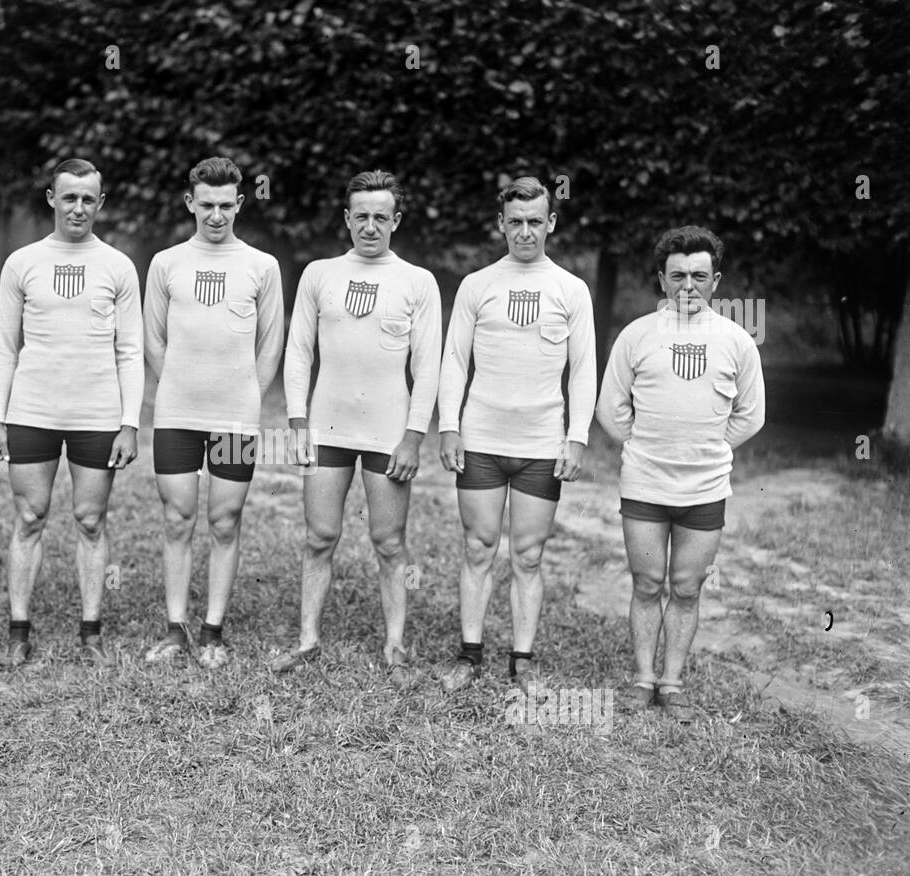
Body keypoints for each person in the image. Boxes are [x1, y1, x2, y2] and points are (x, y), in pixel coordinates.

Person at [274, 170, 441, 684]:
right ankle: (307, 640)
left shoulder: (418, 281)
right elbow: (299, 351)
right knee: (319, 536)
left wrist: (414, 435)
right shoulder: (319, 274)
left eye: (381, 217)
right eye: (361, 216)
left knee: (389, 542)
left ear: (397, 220)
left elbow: (428, 365)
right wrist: (298, 421)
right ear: (347, 219)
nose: (370, 226)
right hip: (326, 429)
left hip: (389, 434)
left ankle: (394, 644)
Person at [596, 225, 765, 723]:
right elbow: (610, 409)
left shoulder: (737, 341)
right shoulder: (636, 335)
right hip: (645, 484)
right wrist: (645, 446)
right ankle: (643, 679)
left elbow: (751, 415)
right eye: (677, 276)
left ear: (717, 280)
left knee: (687, 587)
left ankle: (672, 682)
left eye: (698, 275)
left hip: (705, 487)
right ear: (661, 280)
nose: (687, 286)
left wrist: (708, 449)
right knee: (647, 582)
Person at [436, 177, 596, 691]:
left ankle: (522, 661)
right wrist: (450, 427)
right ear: (500, 224)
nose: (524, 231)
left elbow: (584, 370)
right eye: (515, 222)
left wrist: (576, 437)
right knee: (479, 547)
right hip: (481, 440)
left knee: (528, 555)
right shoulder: (477, 285)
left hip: (540, 445)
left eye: (534, 221)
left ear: (551, 222)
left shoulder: (571, 290)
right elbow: (455, 360)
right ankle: (469, 655)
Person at [0, 159, 142, 667]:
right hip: (32, 410)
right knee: (30, 516)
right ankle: (18, 630)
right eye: (69, 197)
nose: (78, 207)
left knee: (90, 519)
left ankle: (91, 632)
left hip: (97, 414)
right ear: (52, 198)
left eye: (88, 198)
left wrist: (129, 423)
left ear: (102, 202)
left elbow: (130, 351)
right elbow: (5, 347)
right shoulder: (22, 262)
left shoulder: (118, 266)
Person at [141, 157, 284, 669]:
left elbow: (271, 346)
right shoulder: (166, 263)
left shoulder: (262, 266)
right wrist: (178, 384)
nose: (217, 215)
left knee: (225, 520)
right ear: (190, 203)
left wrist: (245, 395)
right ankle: (175, 629)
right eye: (207, 206)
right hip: (177, 413)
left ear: (240, 204)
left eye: (226, 206)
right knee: (178, 517)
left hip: (235, 419)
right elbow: (152, 338)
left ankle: (213, 632)